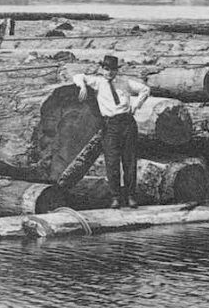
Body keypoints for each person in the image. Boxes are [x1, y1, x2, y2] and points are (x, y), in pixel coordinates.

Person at [60, 53, 150, 206]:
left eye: (113, 69)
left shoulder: (125, 82)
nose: (110, 72)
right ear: (102, 69)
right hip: (110, 125)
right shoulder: (98, 82)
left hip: (127, 123)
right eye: (107, 69)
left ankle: (130, 196)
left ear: (117, 70)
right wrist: (82, 86)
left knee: (129, 161)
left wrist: (136, 105)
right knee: (112, 162)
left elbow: (145, 90)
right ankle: (115, 197)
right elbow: (78, 76)